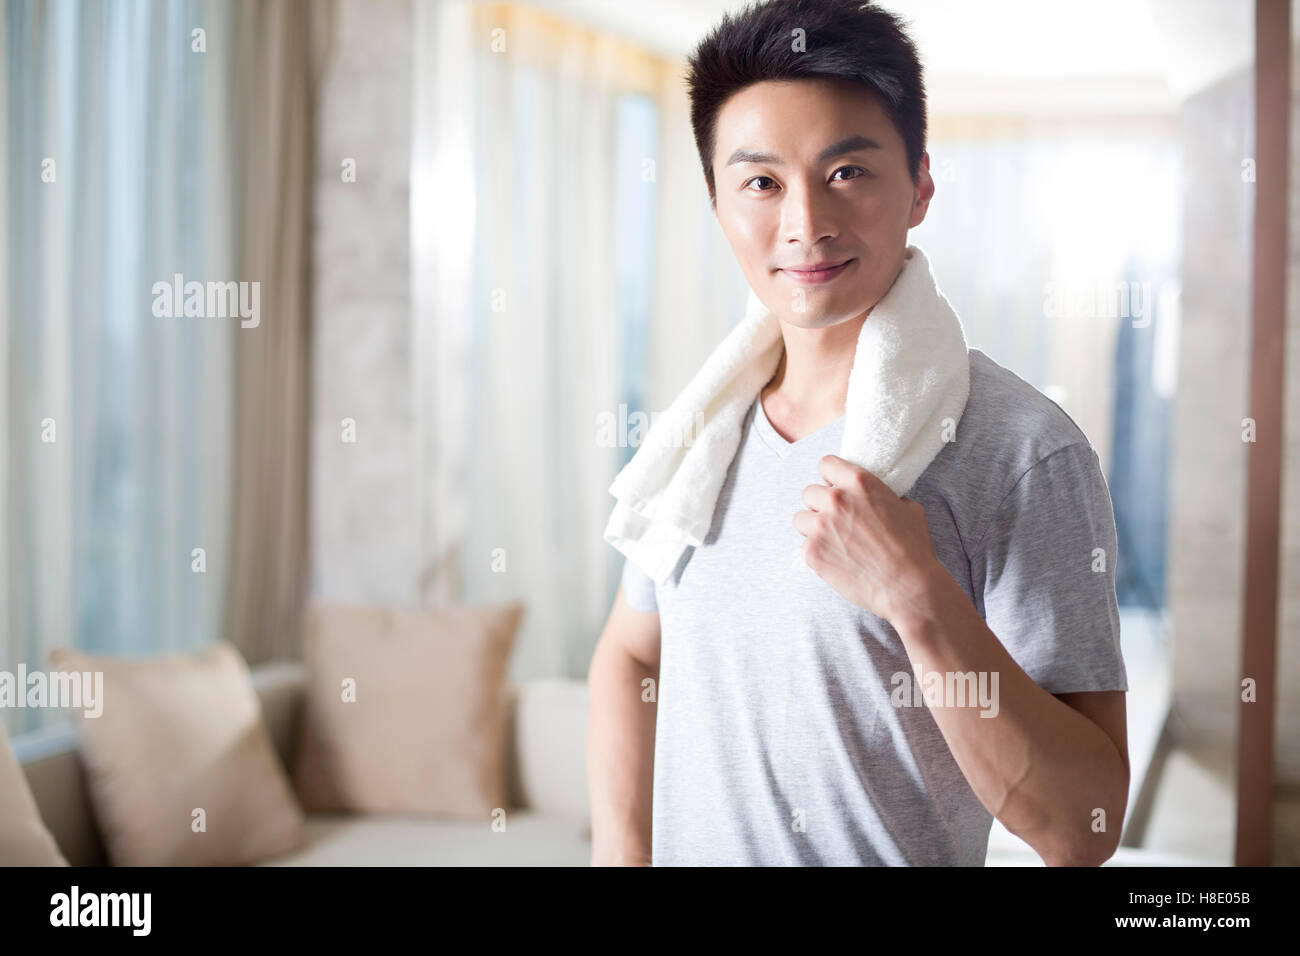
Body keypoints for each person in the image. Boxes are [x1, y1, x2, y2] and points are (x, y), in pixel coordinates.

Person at [586, 0, 1129, 867]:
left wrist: (918, 597)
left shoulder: (1023, 450)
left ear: (919, 185)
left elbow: (1083, 828)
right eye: (761, 182)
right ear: (717, 202)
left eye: (846, 172)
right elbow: (629, 655)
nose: (805, 221)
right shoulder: (701, 430)